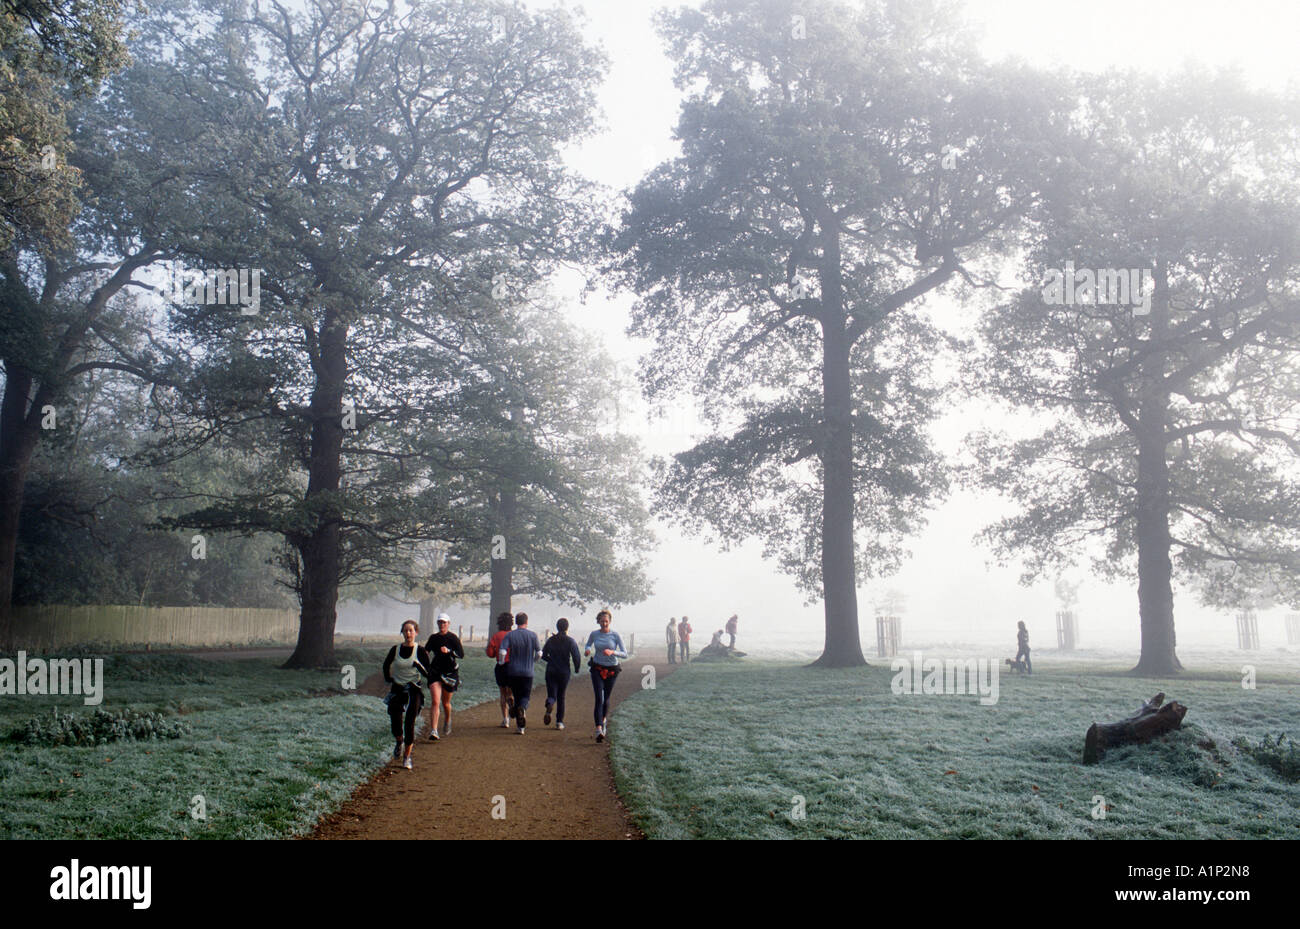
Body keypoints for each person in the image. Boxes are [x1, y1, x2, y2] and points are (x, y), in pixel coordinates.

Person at [382, 620, 432, 769]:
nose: (408, 634)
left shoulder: (421, 651)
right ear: (402, 633)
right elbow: (386, 665)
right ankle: (399, 741)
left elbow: (429, 674)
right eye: (405, 631)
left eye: (411, 630)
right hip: (398, 688)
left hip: (413, 689)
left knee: (409, 722)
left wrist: (418, 665)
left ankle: (407, 757)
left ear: (416, 632)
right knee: (395, 721)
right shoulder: (395, 649)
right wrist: (388, 679)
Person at [585, 609, 628, 743]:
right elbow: (588, 644)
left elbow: (625, 653)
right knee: (599, 697)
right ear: (598, 621)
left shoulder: (615, 635)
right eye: (602, 621)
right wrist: (587, 649)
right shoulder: (594, 634)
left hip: (612, 670)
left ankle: (603, 720)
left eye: (606, 621)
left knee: (606, 698)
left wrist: (613, 652)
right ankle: (598, 729)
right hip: (597, 668)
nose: (604, 624)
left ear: (610, 622)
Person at [425, 613, 464, 740]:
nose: (442, 625)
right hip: (435, 672)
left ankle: (447, 719)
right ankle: (434, 730)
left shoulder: (453, 638)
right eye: (440, 622)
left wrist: (449, 652)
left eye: (444, 622)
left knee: (445, 703)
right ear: (437, 624)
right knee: (435, 701)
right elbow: (426, 651)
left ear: (448, 624)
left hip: (450, 673)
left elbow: (461, 654)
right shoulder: (433, 638)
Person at [502, 612, 542, 734]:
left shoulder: (510, 635)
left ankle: (518, 718)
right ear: (526, 622)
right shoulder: (533, 635)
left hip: (513, 671)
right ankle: (521, 715)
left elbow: (502, 651)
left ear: (516, 622)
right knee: (525, 697)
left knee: (517, 695)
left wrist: (501, 662)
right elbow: (539, 653)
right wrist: (533, 661)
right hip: (528, 672)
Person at [541, 617, 582, 729]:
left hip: (551, 670)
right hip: (564, 671)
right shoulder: (570, 641)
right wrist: (577, 668)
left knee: (552, 694)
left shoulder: (551, 640)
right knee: (561, 696)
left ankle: (550, 703)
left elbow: (543, 655)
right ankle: (559, 722)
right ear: (567, 627)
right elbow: (576, 657)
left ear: (557, 627)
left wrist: (550, 660)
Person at [485, 612, 515, 727]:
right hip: (513, 666)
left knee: (502, 693)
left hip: (501, 667)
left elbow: (490, 653)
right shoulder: (514, 635)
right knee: (511, 691)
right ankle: (511, 698)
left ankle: (505, 719)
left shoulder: (496, 636)